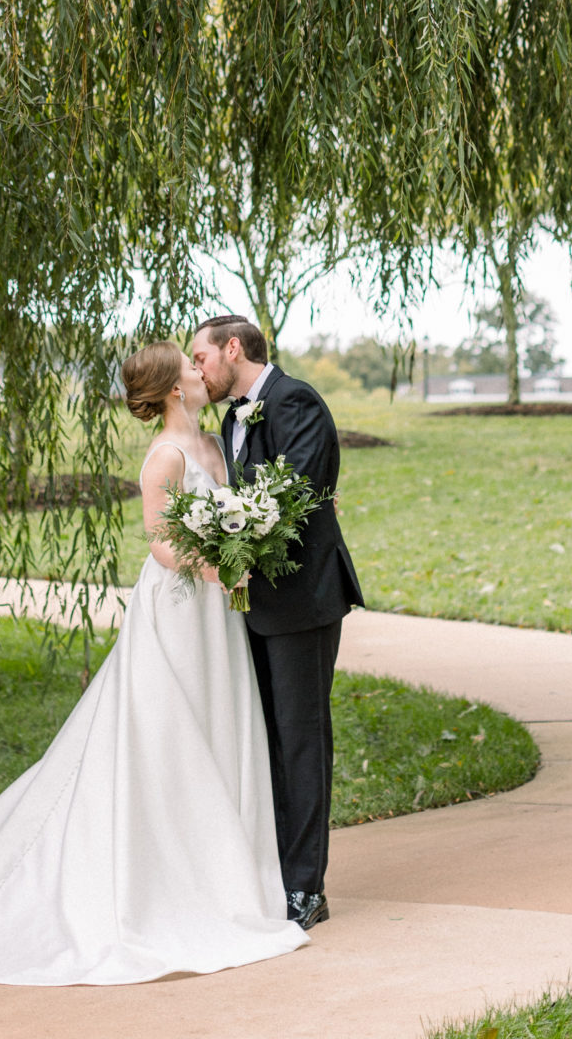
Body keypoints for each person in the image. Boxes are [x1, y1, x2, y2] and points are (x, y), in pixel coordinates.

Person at [0, 338, 308, 985]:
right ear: (172, 388)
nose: (202, 371)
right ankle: (164, 877)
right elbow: (162, 542)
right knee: (167, 731)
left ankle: (228, 872)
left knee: (220, 723)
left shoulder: (216, 444)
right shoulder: (165, 455)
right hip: (183, 605)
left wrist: (247, 549)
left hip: (218, 614)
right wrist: (221, 568)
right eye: (192, 366)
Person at [191, 313, 362, 931]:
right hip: (254, 607)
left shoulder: (295, 401)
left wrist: (230, 541)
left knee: (301, 741)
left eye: (201, 358)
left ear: (233, 349)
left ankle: (306, 889)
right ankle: (273, 875)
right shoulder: (231, 418)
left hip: (302, 601)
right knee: (266, 744)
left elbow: (295, 497)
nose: (198, 371)